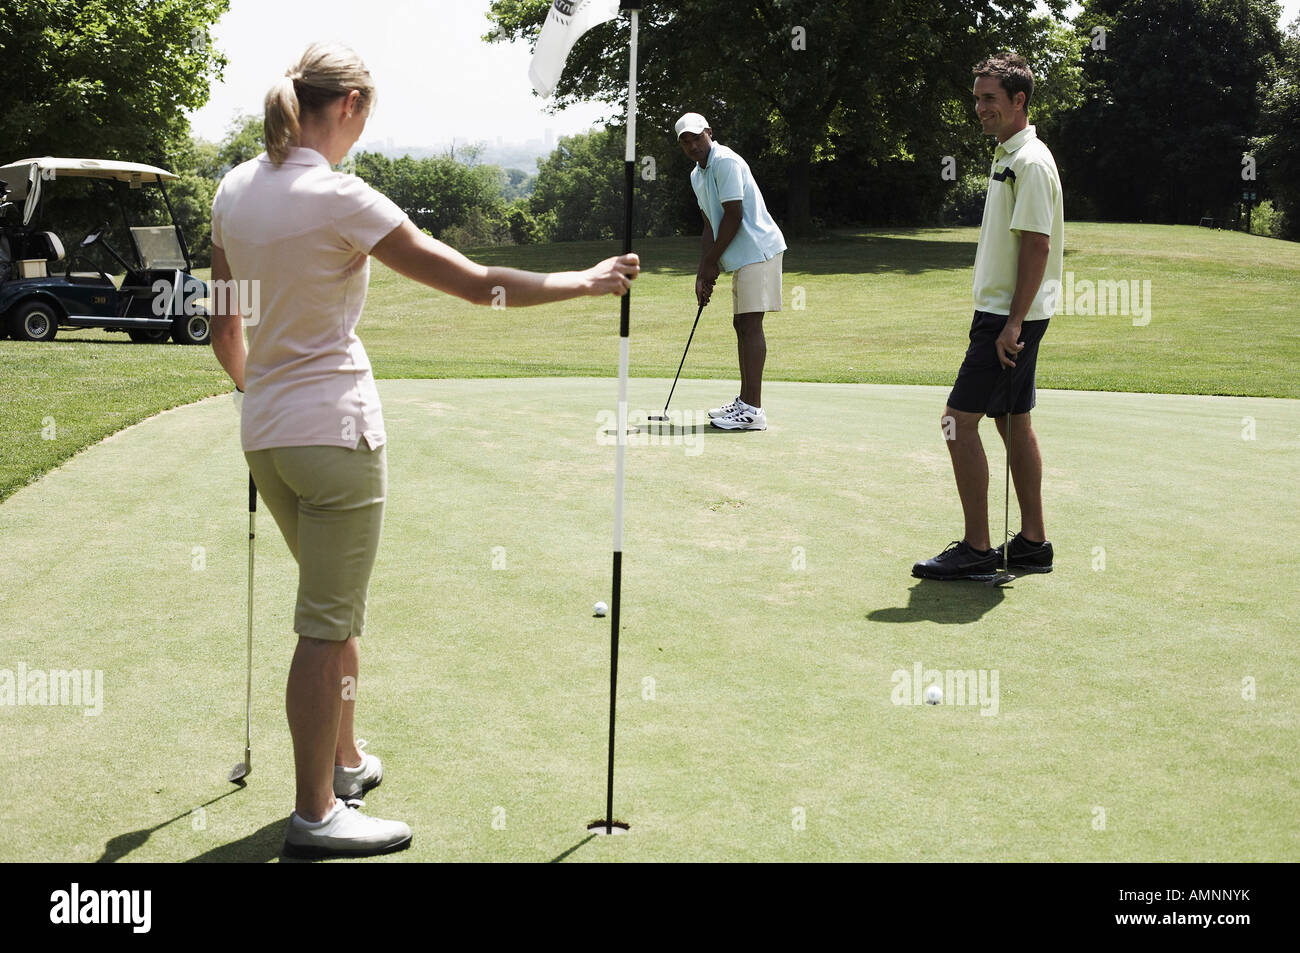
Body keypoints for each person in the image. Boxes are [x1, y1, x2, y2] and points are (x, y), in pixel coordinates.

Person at [209, 42, 639, 858]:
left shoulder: (233, 189)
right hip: (336, 433)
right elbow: (481, 285)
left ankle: (345, 761)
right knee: (326, 622)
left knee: (335, 611)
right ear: (353, 106)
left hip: (267, 437)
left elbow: (225, 328)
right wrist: (585, 280)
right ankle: (315, 816)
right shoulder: (342, 197)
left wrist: (254, 393)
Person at [913, 53, 1062, 580]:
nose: (980, 108)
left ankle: (978, 550)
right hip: (1007, 314)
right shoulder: (1009, 154)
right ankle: (1031, 544)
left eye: (990, 98)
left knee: (957, 423)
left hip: (1007, 319)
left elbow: (1038, 247)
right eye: (977, 98)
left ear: (1019, 101)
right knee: (1012, 421)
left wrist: (1013, 324)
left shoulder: (1030, 161)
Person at [675, 113, 786, 431]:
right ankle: (745, 400)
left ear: (709, 133)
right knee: (742, 324)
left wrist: (713, 263)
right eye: (685, 141)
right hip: (742, 256)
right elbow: (710, 223)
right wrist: (702, 272)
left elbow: (734, 216)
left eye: (697, 137)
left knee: (750, 324)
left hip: (759, 250)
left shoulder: (725, 161)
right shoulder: (697, 174)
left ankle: (753, 410)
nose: (693, 145)